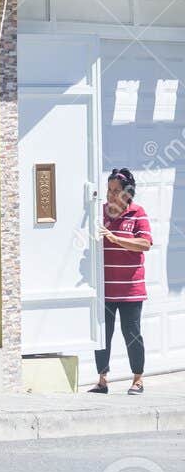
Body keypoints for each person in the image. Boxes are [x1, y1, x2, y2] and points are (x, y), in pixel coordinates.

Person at [93, 167, 152, 396]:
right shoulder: (101, 213)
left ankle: (137, 379)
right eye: (109, 190)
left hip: (131, 290)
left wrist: (116, 239)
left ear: (128, 192)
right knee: (102, 334)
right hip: (105, 289)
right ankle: (102, 380)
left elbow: (145, 244)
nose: (110, 195)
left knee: (132, 333)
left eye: (116, 190)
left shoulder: (138, 213)